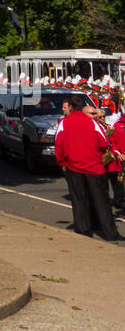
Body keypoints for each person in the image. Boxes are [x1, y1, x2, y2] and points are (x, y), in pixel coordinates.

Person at [54, 93, 121, 242]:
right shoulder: (92, 122)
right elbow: (104, 143)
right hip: (94, 167)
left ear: (70, 107)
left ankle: (84, 231)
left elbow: (58, 144)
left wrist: (62, 163)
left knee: (79, 201)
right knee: (102, 202)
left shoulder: (64, 122)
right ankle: (110, 233)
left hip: (74, 168)